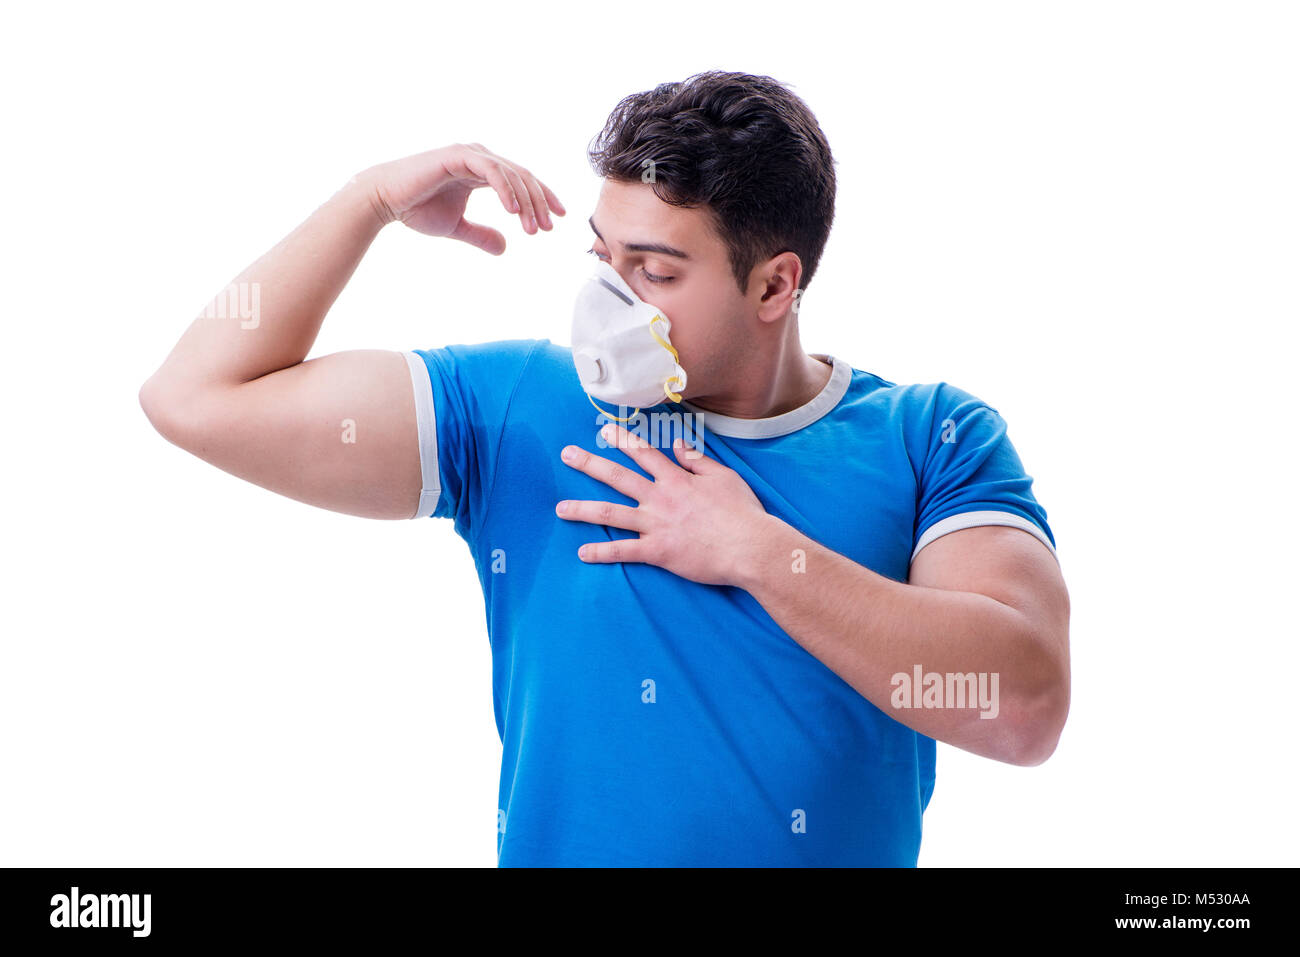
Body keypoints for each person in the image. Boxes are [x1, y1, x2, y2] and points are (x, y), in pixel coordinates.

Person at [140, 70, 1070, 866]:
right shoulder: (517, 411)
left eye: (656, 273)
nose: (609, 301)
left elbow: (1023, 708)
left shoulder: (931, 437)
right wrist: (368, 201)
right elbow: (196, 397)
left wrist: (757, 552)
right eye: (603, 257)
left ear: (776, 285)